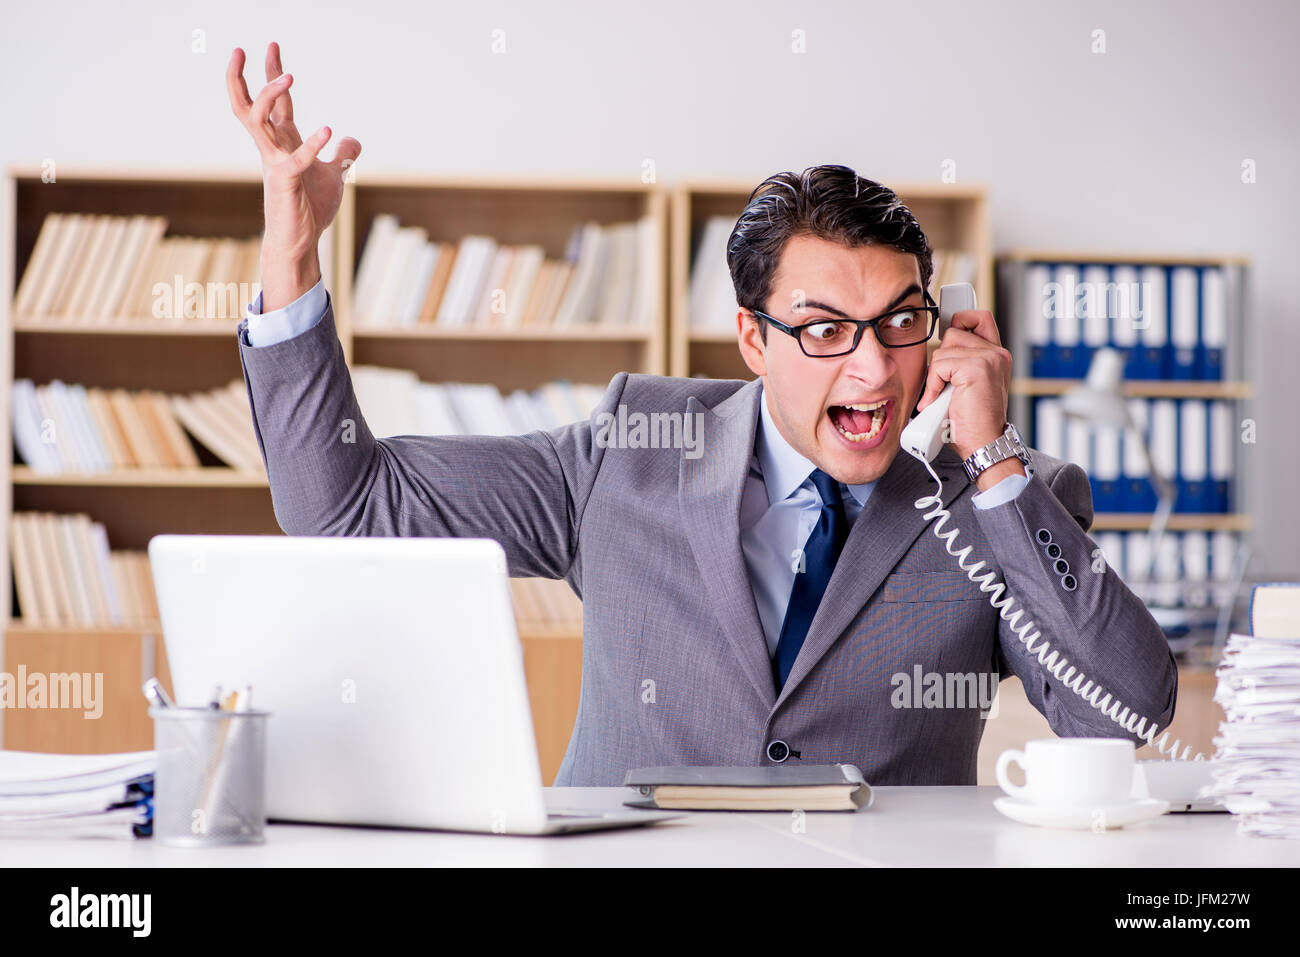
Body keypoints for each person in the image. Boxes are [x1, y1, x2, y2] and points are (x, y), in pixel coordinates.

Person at [225, 43, 1177, 786]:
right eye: (823, 330)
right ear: (752, 342)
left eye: (900, 322)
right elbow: (341, 504)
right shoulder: (627, 449)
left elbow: (1128, 711)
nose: (874, 365)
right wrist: (290, 253)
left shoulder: (1001, 496)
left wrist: (996, 463)